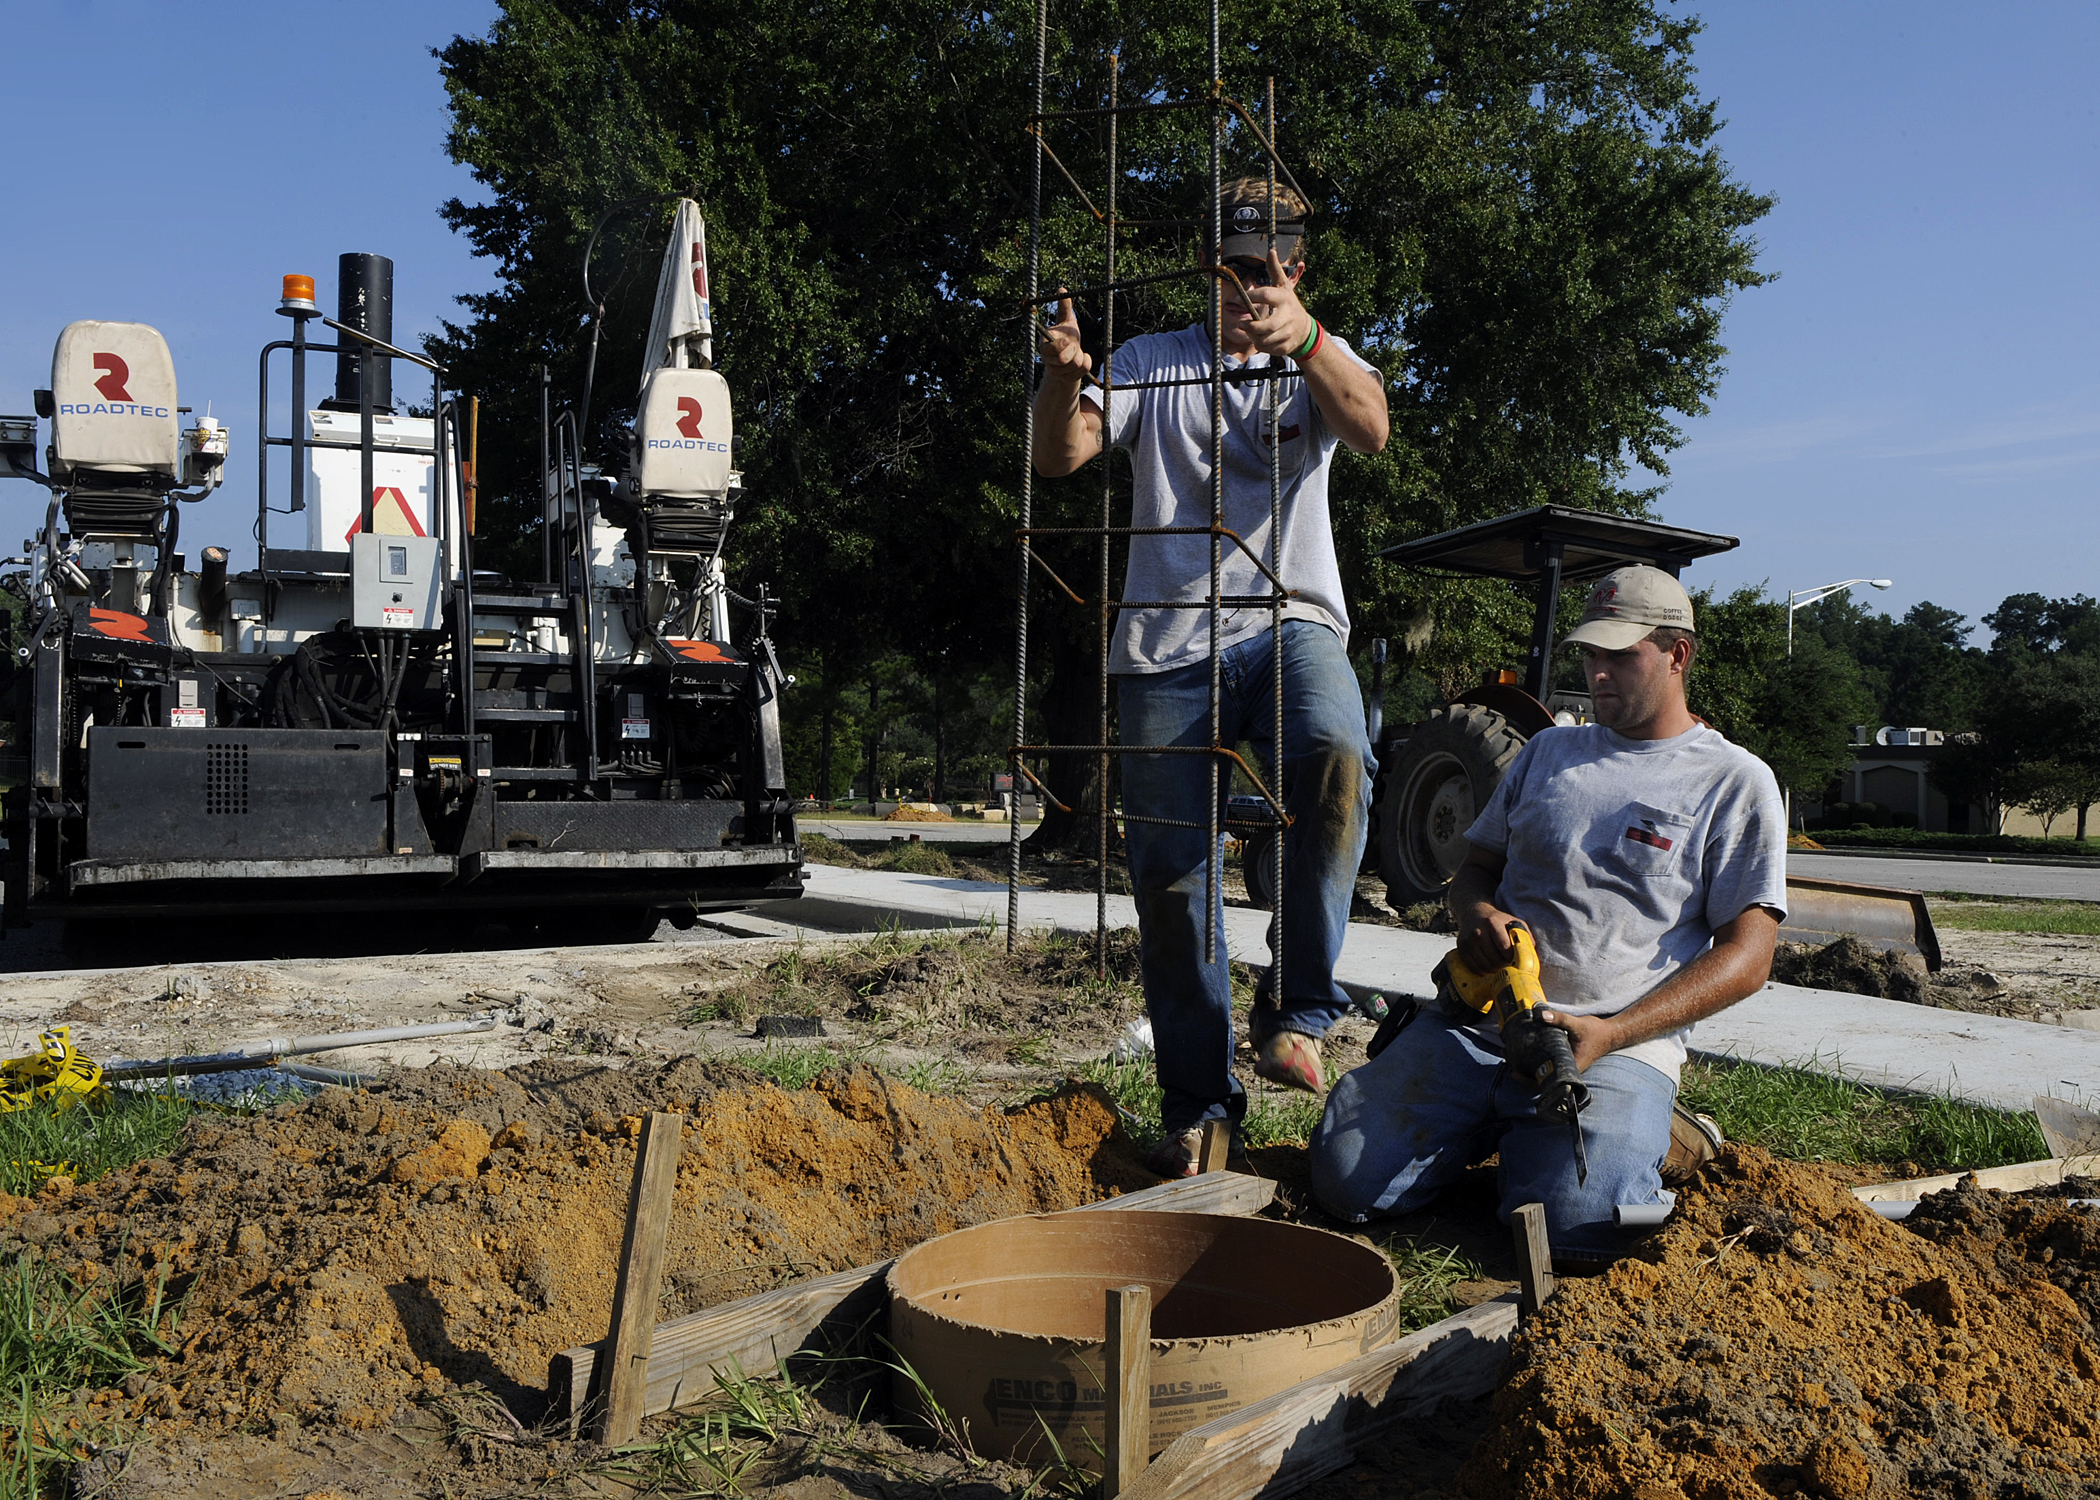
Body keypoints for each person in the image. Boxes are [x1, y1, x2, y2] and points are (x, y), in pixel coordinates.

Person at [1031, 178, 1391, 1178]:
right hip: (1165, 645)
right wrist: (1065, 376)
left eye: (1268, 270)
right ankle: (1199, 1104)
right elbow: (1061, 456)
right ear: (1208, 269)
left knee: (1331, 746)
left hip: (1288, 621)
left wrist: (1308, 341)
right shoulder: (1152, 363)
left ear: (1296, 271)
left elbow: (1371, 429)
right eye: (1233, 270)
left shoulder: (1319, 356)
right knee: (1174, 883)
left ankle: (1299, 1009)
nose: (1248, 289)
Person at [1308, 565, 1786, 1260]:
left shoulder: (1733, 782)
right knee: (1344, 1181)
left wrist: (1613, 1032)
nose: (1597, 674)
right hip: (1480, 1026)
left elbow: (1750, 957)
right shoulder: (1547, 753)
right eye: (1590, 655)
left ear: (1678, 654)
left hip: (1610, 1048)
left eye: (1620, 657)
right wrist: (1474, 913)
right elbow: (1475, 871)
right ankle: (1503, 1129)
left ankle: (1660, 1128)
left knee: (1577, 1232)